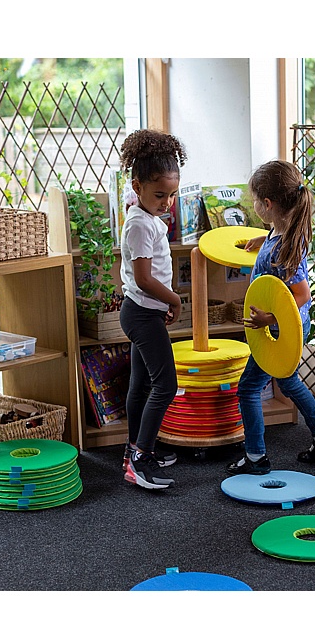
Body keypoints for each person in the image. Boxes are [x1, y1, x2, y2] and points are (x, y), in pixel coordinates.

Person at [227, 159, 315, 475]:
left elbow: (302, 294)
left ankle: (255, 457)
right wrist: (260, 240)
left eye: (255, 201)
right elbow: (277, 249)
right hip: (288, 323)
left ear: (267, 204)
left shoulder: (282, 246)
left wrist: (268, 319)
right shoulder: (283, 232)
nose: (253, 206)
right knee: (287, 378)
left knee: (248, 388)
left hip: (279, 326)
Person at [118, 129, 186, 491]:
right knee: (166, 384)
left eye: (172, 195)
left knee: (141, 383)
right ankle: (141, 458)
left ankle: (134, 450)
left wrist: (166, 301)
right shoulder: (140, 225)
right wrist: (174, 299)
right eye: (160, 194)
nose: (167, 202)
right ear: (137, 185)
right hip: (143, 314)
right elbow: (144, 278)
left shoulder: (146, 220)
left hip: (143, 311)